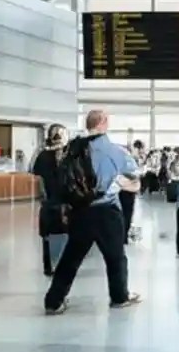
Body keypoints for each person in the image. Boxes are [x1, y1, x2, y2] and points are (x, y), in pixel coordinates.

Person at [44, 110, 142, 314]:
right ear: (104, 123)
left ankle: (54, 301)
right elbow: (134, 180)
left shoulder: (74, 149)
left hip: (79, 211)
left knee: (71, 257)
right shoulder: (115, 152)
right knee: (115, 257)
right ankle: (119, 296)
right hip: (107, 211)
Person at [31, 124, 68, 277]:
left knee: (47, 236)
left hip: (48, 203)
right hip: (63, 203)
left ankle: (49, 266)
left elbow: (36, 177)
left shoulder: (41, 155)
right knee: (64, 235)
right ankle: (61, 265)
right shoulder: (68, 156)